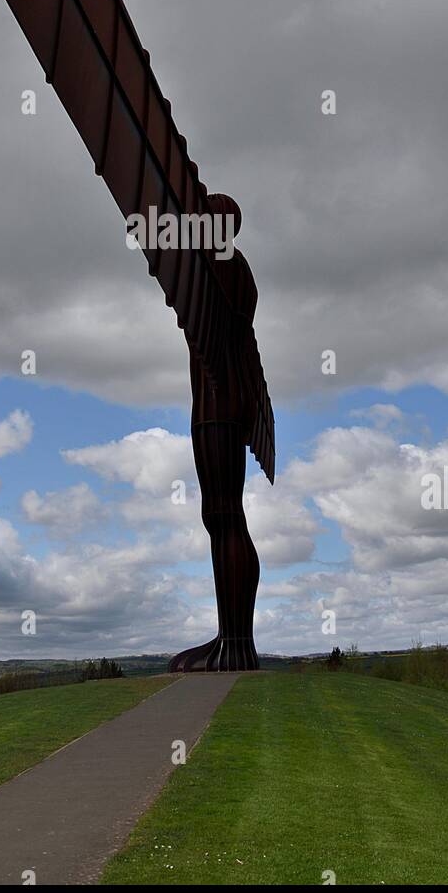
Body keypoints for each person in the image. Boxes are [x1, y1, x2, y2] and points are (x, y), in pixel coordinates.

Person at [169, 195, 261, 673]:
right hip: (226, 405)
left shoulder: (216, 264)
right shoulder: (237, 268)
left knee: (222, 515)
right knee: (226, 517)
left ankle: (236, 644)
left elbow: (160, 237)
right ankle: (232, 638)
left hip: (214, 408)